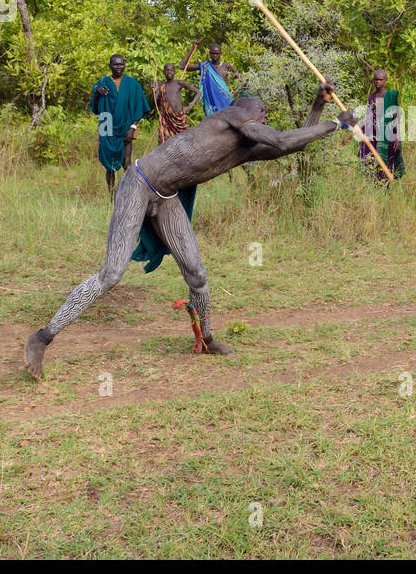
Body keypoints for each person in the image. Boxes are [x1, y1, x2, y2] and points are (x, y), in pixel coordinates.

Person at [25, 83, 355, 378]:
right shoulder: (231, 115)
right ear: (245, 109)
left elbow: (287, 145)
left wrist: (318, 106)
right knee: (111, 275)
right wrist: (335, 124)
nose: (265, 116)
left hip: (165, 196)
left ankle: (206, 338)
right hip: (138, 184)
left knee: (197, 274)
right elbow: (281, 138)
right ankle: (42, 337)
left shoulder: (246, 145)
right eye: (262, 111)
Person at [90, 53, 150, 195]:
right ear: (110, 66)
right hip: (106, 124)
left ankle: (128, 194)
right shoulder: (102, 82)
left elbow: (139, 106)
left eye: (121, 64)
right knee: (109, 165)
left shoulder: (132, 83)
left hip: (126, 126)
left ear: (125, 65)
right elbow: (96, 109)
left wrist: (133, 127)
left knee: (126, 163)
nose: (119, 67)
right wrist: (97, 93)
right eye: (115, 64)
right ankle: (112, 195)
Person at [359, 68, 404, 182]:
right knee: (371, 161)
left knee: (386, 163)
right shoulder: (372, 97)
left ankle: (385, 188)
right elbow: (368, 117)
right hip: (373, 134)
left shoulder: (390, 96)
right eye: (376, 80)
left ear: (385, 81)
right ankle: (374, 189)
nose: (378, 82)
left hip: (388, 136)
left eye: (381, 80)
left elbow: (395, 118)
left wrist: (397, 138)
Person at [153, 52, 202, 144]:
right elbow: (155, 101)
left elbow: (198, 92)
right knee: (166, 144)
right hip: (166, 120)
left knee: (183, 142)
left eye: (171, 70)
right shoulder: (161, 85)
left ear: (174, 72)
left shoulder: (179, 83)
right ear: (164, 72)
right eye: (167, 70)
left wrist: (190, 106)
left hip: (179, 119)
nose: (169, 72)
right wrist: (154, 90)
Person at [184, 42, 238, 117]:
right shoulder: (205, 66)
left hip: (225, 101)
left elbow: (241, 80)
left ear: (221, 54)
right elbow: (183, 66)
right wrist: (192, 48)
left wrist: (233, 94)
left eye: (217, 53)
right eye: (213, 53)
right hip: (211, 104)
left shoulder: (226, 66)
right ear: (209, 53)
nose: (215, 56)